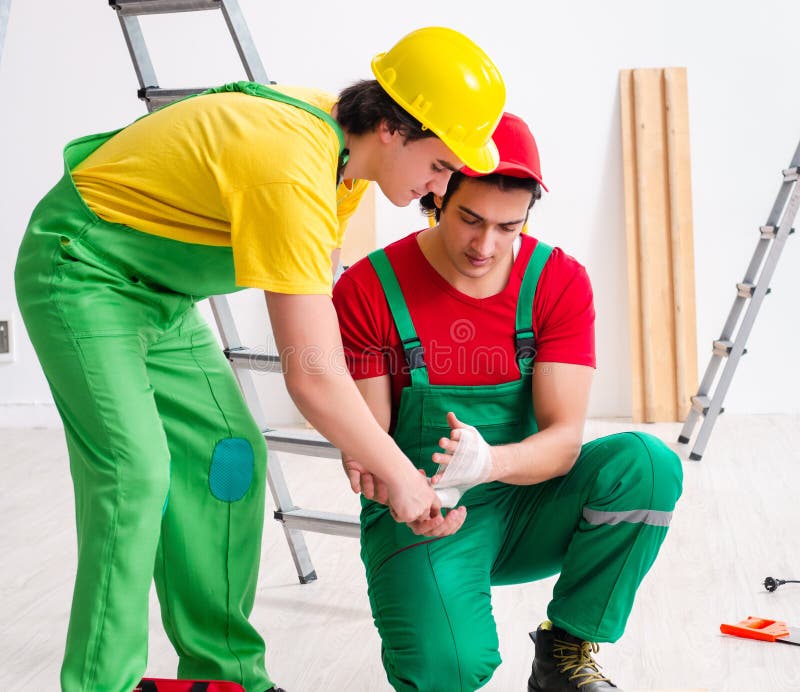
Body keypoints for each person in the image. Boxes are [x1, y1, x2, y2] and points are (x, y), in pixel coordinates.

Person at [13, 26, 505, 692]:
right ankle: (100, 683)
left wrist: (360, 445)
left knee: (230, 451)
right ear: (392, 125)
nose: (437, 188)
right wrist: (402, 474)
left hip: (159, 298)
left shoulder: (341, 165)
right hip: (81, 272)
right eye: (441, 165)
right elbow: (309, 376)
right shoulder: (292, 166)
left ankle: (228, 676)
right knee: (135, 473)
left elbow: (313, 331)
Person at [332, 112, 684, 692]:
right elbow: (369, 437)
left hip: (528, 502)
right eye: (471, 219)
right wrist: (406, 492)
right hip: (422, 513)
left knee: (646, 466)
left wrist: (489, 464)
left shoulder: (557, 281)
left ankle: (564, 650)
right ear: (438, 192)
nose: (485, 245)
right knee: (447, 670)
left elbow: (564, 440)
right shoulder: (371, 288)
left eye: (507, 227)